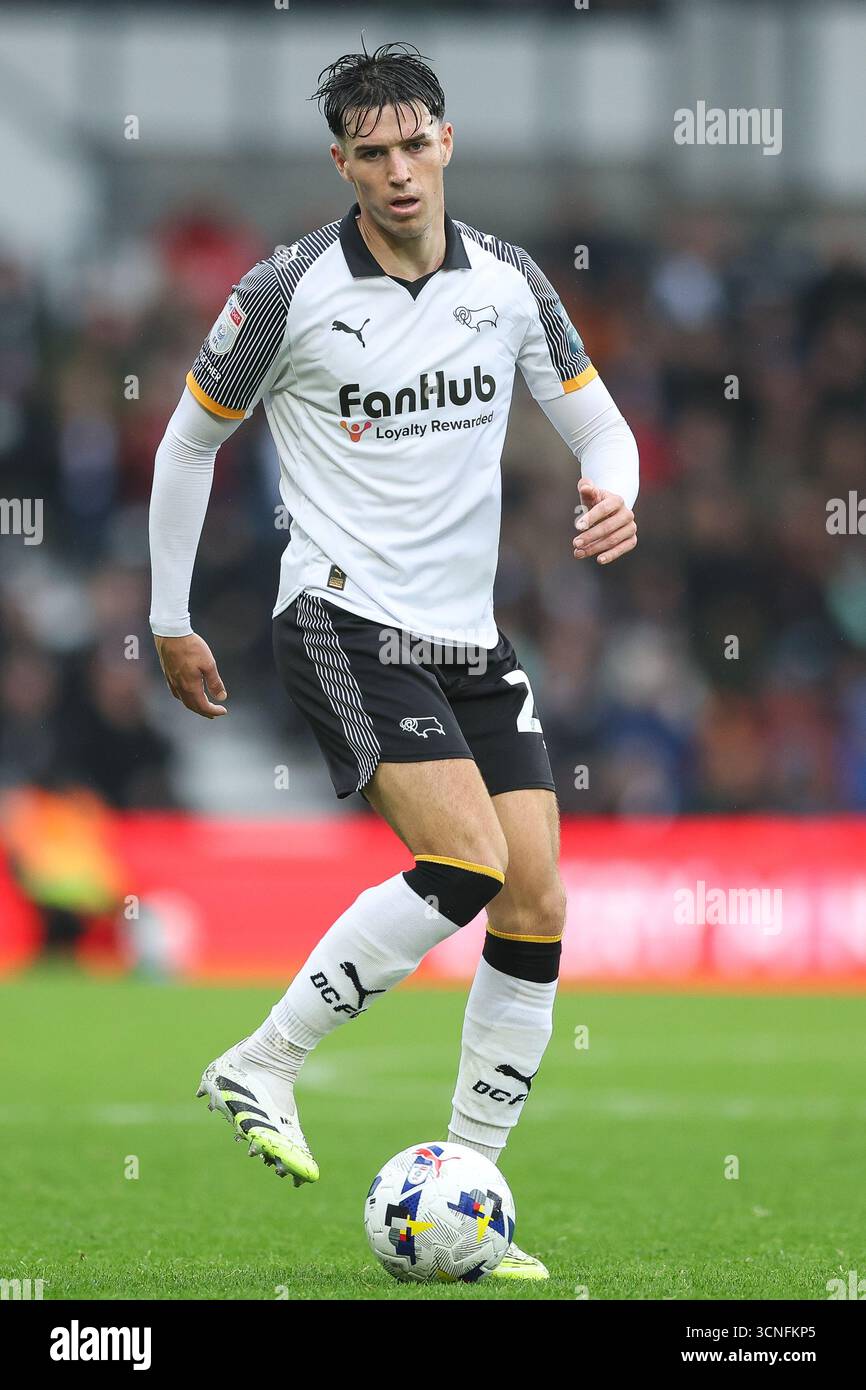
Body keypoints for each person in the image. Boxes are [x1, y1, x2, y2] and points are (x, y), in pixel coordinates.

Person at [148, 41, 639, 1280]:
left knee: (534, 898)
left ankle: (471, 1197)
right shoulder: (286, 290)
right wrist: (168, 615)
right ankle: (259, 1062)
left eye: (415, 141)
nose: (398, 168)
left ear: (446, 140)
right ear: (341, 163)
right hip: (342, 618)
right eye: (370, 151)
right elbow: (185, 448)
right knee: (465, 860)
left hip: (467, 637)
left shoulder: (510, 281)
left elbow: (593, 415)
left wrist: (610, 485)